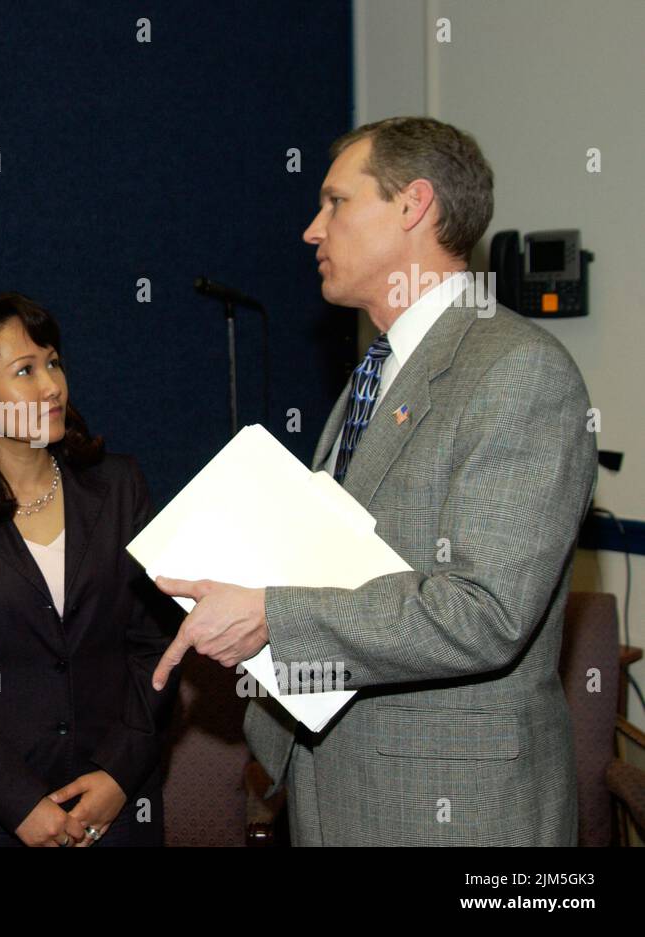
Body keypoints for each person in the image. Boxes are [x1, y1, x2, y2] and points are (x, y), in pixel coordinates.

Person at [151, 117, 597, 846]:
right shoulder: (378, 371)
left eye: (335, 203)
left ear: (412, 205)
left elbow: (485, 612)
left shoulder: (520, 369)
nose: (311, 230)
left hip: (454, 812)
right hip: (337, 789)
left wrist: (273, 616)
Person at [0, 292, 180, 847]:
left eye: (53, 363)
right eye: (25, 370)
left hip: (116, 807)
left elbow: (157, 647)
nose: (51, 386)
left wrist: (119, 775)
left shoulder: (120, 487)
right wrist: (20, 804)